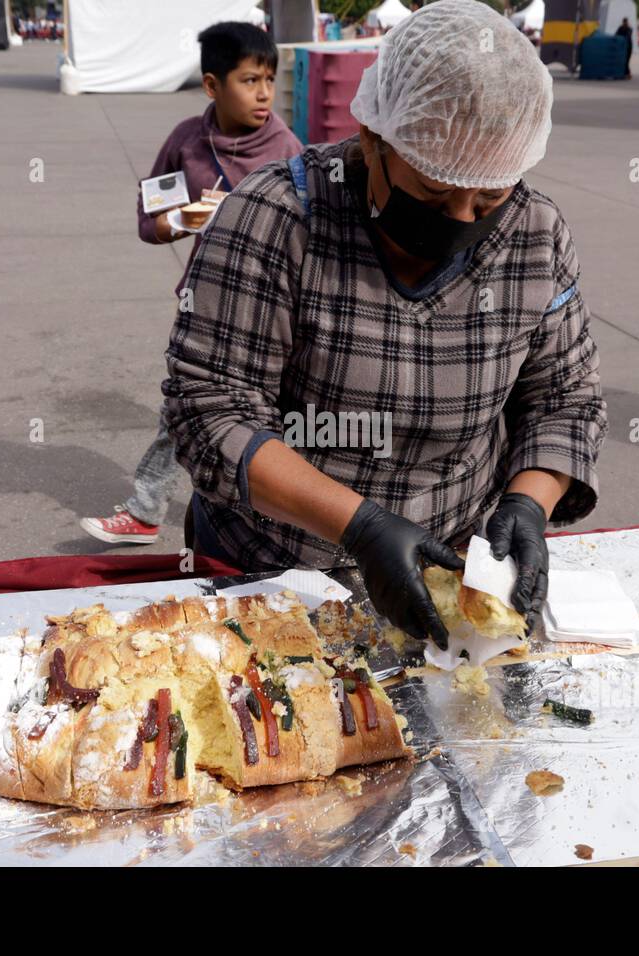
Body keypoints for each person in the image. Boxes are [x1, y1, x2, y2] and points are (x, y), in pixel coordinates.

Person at [163, 0, 606, 646]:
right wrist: (360, 526)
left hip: (444, 569)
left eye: (487, 197)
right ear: (373, 138)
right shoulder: (276, 217)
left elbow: (564, 397)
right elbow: (209, 411)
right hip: (274, 571)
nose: (461, 218)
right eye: (432, 192)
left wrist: (528, 504)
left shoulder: (535, 234)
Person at [79, 21, 303, 547]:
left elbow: (313, 237)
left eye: (269, 79)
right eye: (249, 80)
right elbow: (149, 224)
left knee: (278, 414)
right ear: (211, 86)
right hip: (204, 301)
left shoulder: (289, 150)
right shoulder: (186, 142)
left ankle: (289, 515)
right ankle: (147, 510)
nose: (265, 93)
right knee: (183, 402)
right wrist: (185, 221)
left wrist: (244, 215)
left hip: (272, 307)